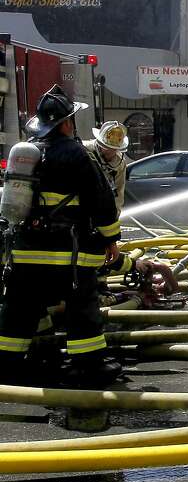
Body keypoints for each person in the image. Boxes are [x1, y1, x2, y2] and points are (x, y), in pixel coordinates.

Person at [0, 86, 123, 386]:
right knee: (82, 308)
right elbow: (102, 202)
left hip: (24, 252)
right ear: (68, 123)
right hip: (66, 253)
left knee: (19, 309)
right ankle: (88, 367)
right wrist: (111, 240)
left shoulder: (27, 154)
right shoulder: (77, 155)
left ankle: (7, 365)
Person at [83, 121, 129, 212]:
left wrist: (115, 214)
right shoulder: (83, 150)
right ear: (99, 143)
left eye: (114, 149)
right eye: (107, 147)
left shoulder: (120, 162)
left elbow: (119, 193)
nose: (110, 152)